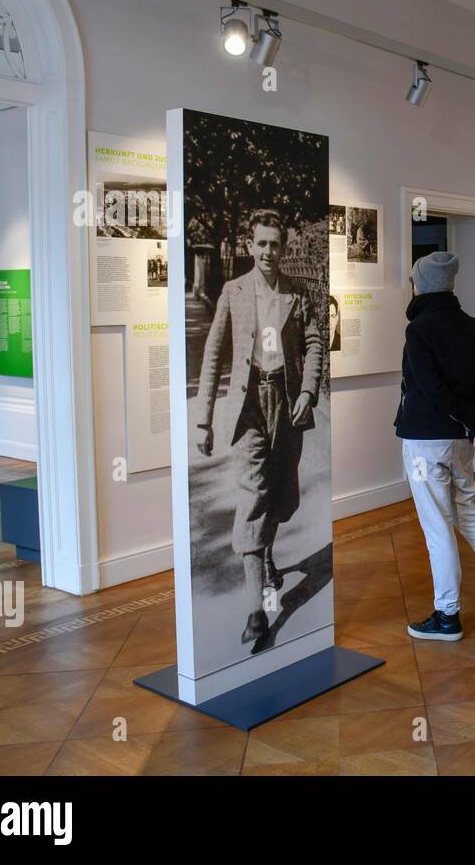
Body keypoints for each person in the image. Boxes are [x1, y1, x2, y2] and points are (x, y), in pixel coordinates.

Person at [194, 209, 324, 648]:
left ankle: (266, 553)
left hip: (286, 407)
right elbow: (213, 354)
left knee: (281, 494)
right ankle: (256, 609)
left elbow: (314, 341)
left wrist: (308, 391)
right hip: (247, 407)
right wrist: (204, 419)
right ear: (251, 247)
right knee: (253, 496)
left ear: (283, 249)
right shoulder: (233, 292)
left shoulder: (297, 292)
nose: (269, 251)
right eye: (262, 243)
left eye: (276, 244)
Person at [397, 251, 475, 641]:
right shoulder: (473, 326)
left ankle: (447, 615)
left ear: (422, 284)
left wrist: (468, 421)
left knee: (438, 527)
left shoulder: (419, 330)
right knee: (468, 513)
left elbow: (431, 388)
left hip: (425, 440)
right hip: (462, 441)